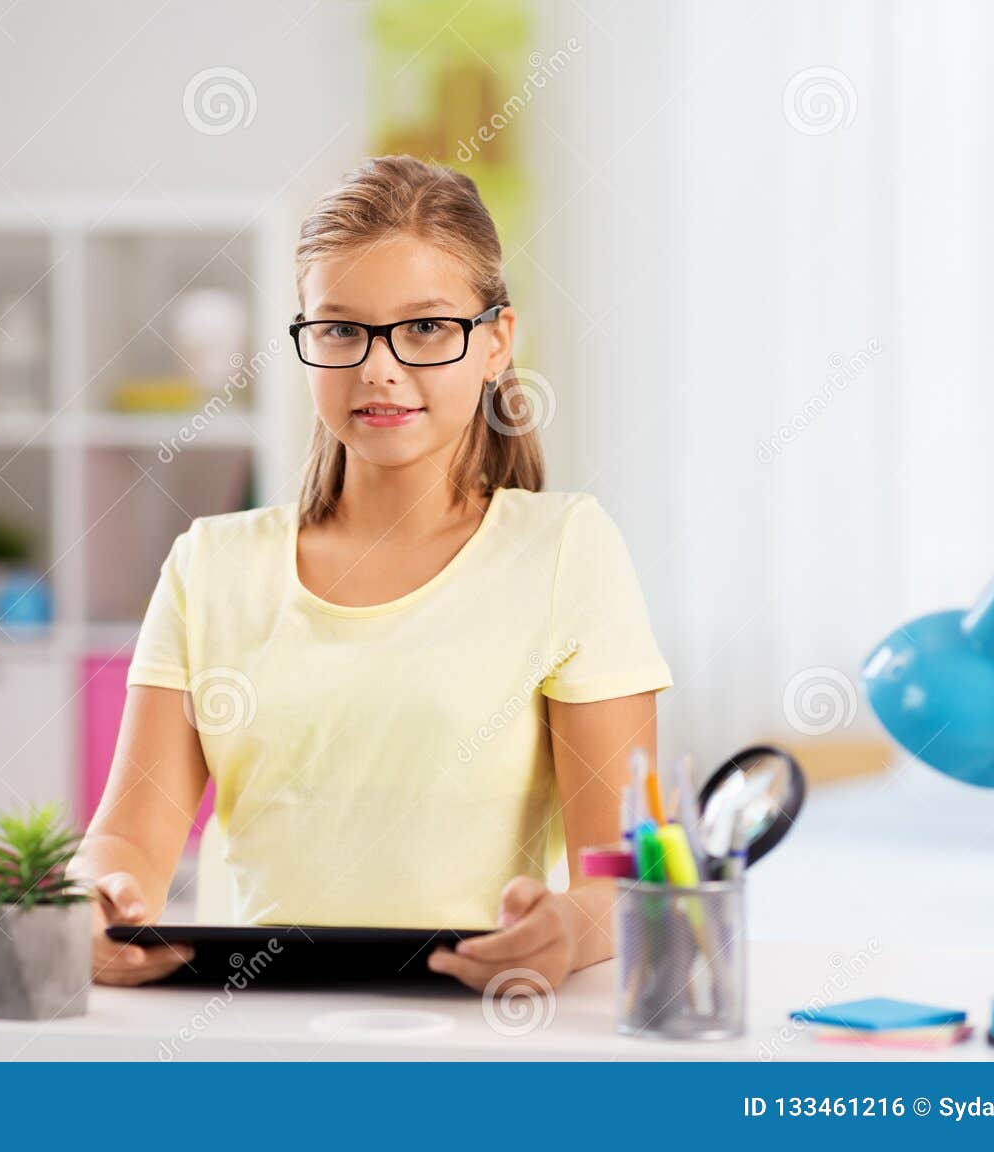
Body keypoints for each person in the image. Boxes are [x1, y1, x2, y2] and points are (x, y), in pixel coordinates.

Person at [73, 155, 671, 992]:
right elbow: (127, 839)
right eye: (341, 329)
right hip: (250, 1026)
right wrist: (94, 899)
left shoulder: (567, 548)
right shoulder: (210, 564)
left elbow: (626, 875)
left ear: (497, 341)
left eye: (426, 327)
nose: (378, 368)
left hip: (475, 1030)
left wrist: (565, 932)